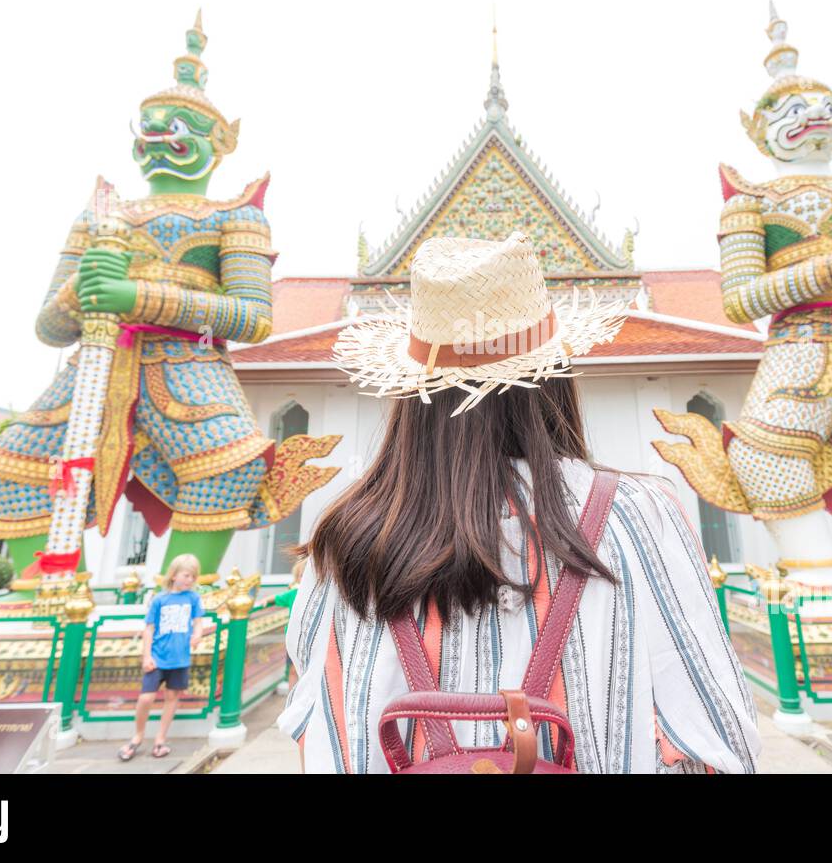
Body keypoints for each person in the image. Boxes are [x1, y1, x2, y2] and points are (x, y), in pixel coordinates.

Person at [279, 232, 761, 773]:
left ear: (414, 395)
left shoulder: (345, 538)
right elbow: (717, 734)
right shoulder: (638, 515)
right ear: (552, 378)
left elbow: (314, 726)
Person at [119, 553, 206, 761]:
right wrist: (146, 656)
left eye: (193, 577)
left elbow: (198, 622)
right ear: (174, 575)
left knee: (172, 697)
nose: (190, 580)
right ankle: (138, 735)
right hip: (158, 657)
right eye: (186, 575)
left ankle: (160, 738)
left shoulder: (193, 598)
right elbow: (149, 629)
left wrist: (198, 635)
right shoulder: (159, 599)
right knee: (146, 698)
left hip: (180, 658)